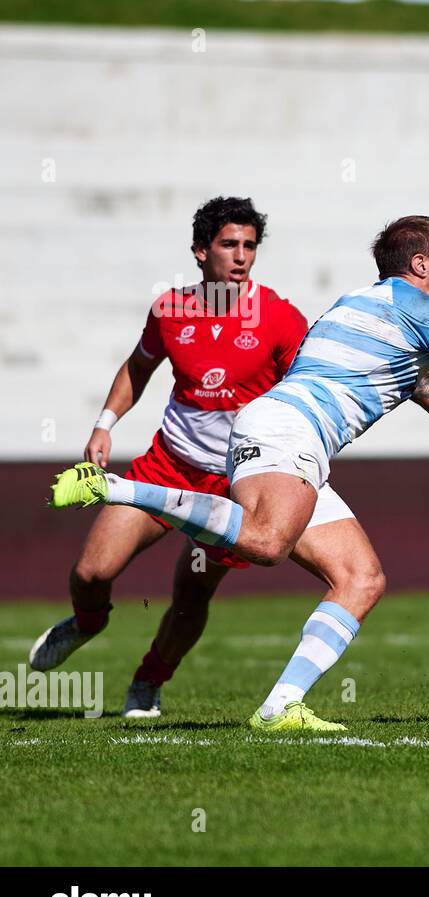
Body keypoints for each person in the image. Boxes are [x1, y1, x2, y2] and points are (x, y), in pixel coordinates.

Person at [48, 214, 429, 731]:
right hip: (289, 431)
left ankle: (280, 706)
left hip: (292, 436)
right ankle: (120, 488)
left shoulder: (370, 305)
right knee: (265, 544)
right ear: (420, 265)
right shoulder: (423, 308)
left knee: (361, 579)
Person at [29, 196, 306, 718]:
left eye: (250, 246)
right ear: (201, 251)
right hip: (167, 466)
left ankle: (148, 681)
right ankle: (87, 623)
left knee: (191, 593)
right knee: (91, 572)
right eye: (229, 244)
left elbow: (310, 388)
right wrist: (104, 424)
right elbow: (138, 368)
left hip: (233, 484)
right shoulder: (171, 310)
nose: (242, 256)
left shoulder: (281, 318)